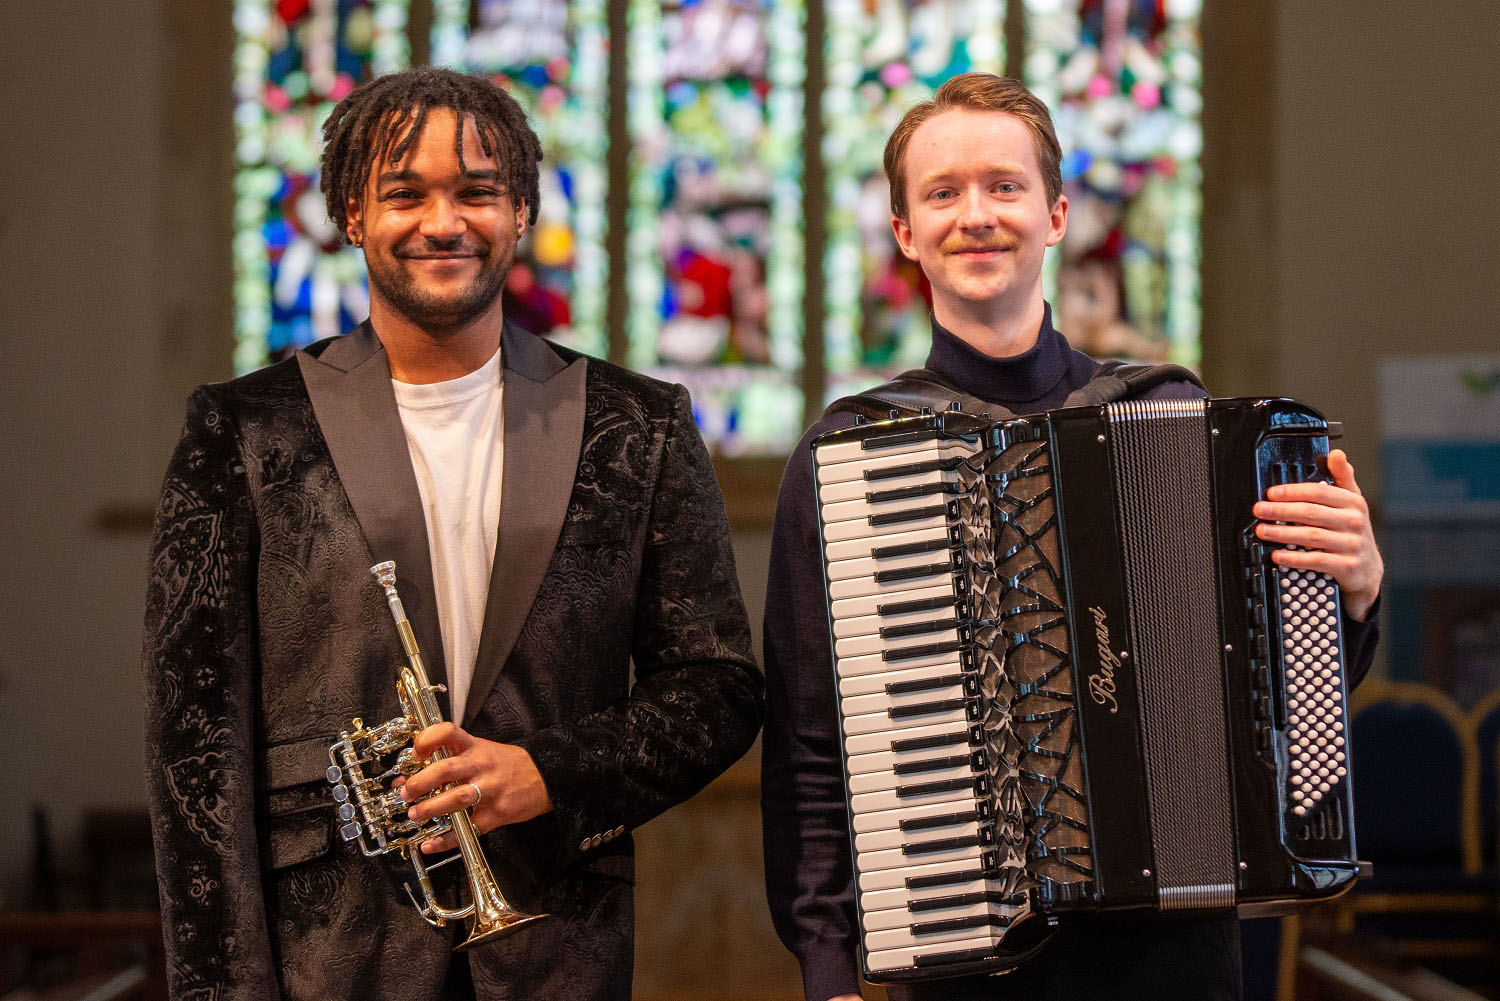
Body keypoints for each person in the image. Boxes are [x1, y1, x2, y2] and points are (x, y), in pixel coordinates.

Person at [760, 73, 1384, 1001]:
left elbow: (1282, 690)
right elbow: (810, 744)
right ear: (905, 233)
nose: (977, 215)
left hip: (1174, 963)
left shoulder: (1173, 413)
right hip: (969, 962)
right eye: (943, 192)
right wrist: (827, 970)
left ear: (1055, 216)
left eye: (1004, 186)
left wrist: (1356, 590)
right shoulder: (851, 454)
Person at [143, 67, 763, 1001]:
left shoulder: (639, 425)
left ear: (521, 212)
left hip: (554, 951)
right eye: (406, 194)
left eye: (476, 191)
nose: (443, 222)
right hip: (328, 960)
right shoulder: (244, 431)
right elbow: (194, 750)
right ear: (352, 214)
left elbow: (717, 687)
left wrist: (547, 773)